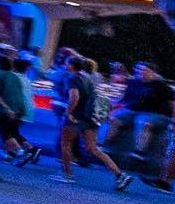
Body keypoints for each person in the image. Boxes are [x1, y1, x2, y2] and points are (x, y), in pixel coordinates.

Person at [59, 55, 134, 190]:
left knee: (66, 144)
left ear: (71, 66)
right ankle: (120, 174)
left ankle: (67, 175)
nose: (65, 65)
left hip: (76, 116)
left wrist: (68, 112)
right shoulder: (87, 80)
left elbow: (74, 97)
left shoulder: (72, 79)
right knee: (93, 148)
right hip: (90, 118)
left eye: (66, 63)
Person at [107, 61, 175, 190]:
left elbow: (172, 102)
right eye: (138, 70)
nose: (140, 73)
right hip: (134, 111)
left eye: (144, 70)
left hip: (154, 114)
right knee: (116, 119)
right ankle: (105, 147)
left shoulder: (161, 86)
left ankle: (140, 153)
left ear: (152, 72)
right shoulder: (133, 83)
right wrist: (112, 107)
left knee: (144, 123)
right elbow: (123, 99)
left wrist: (173, 120)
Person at [0, 51, 39, 167]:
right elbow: (20, 95)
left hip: (6, 110)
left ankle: (19, 152)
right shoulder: (15, 77)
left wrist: (5, 108)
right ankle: (23, 151)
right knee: (13, 132)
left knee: (5, 132)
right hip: (19, 109)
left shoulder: (0, 75)